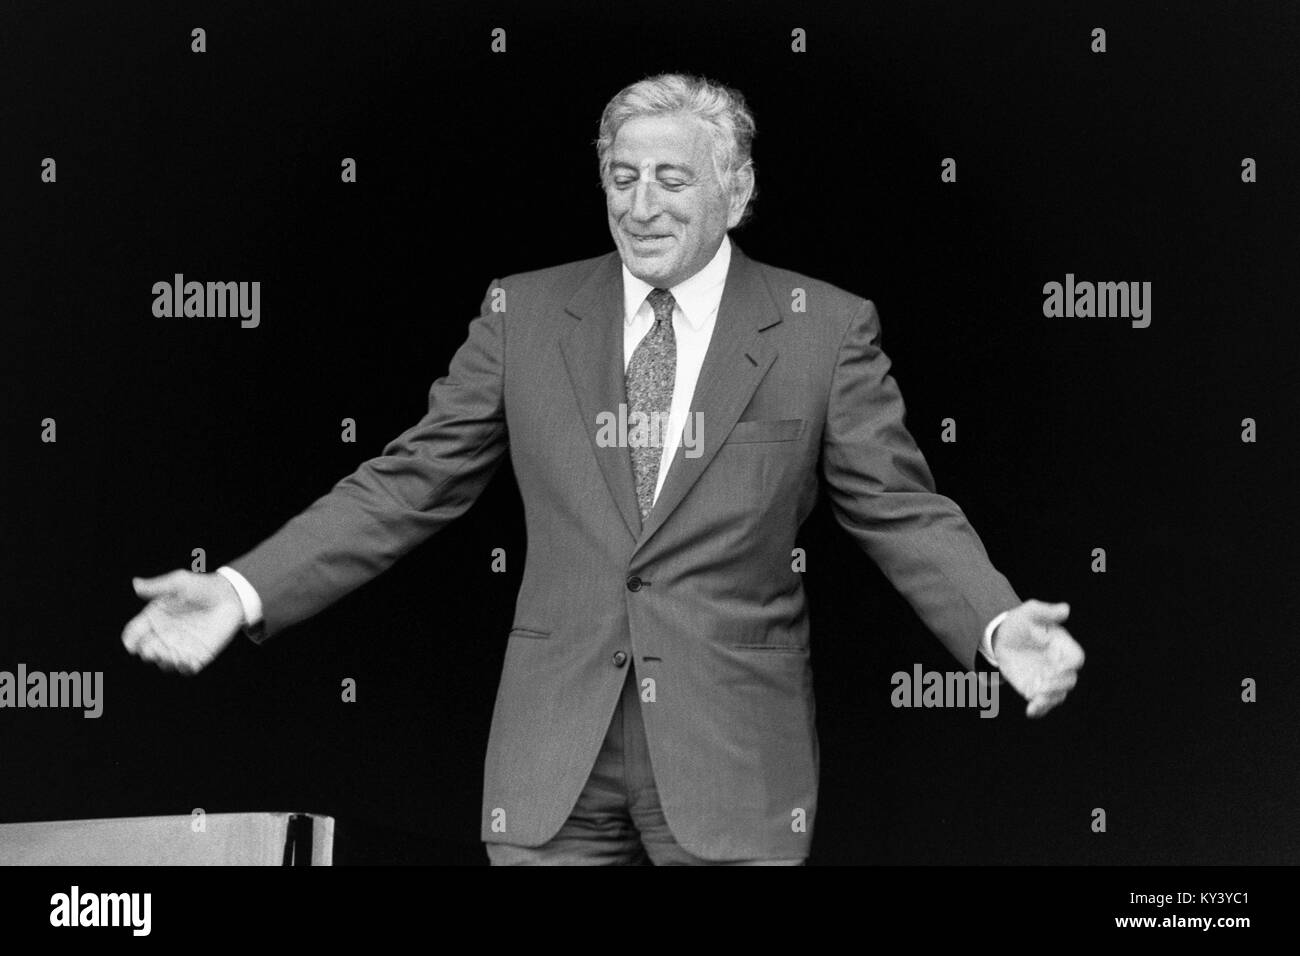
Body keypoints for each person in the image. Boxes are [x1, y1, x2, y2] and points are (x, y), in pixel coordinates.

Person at [123, 73, 1084, 865]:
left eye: (672, 178)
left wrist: (994, 623)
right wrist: (243, 591)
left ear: (736, 193)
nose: (641, 203)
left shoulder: (823, 329)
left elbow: (901, 510)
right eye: (621, 177)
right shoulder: (524, 314)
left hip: (733, 761)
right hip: (553, 755)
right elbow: (406, 482)